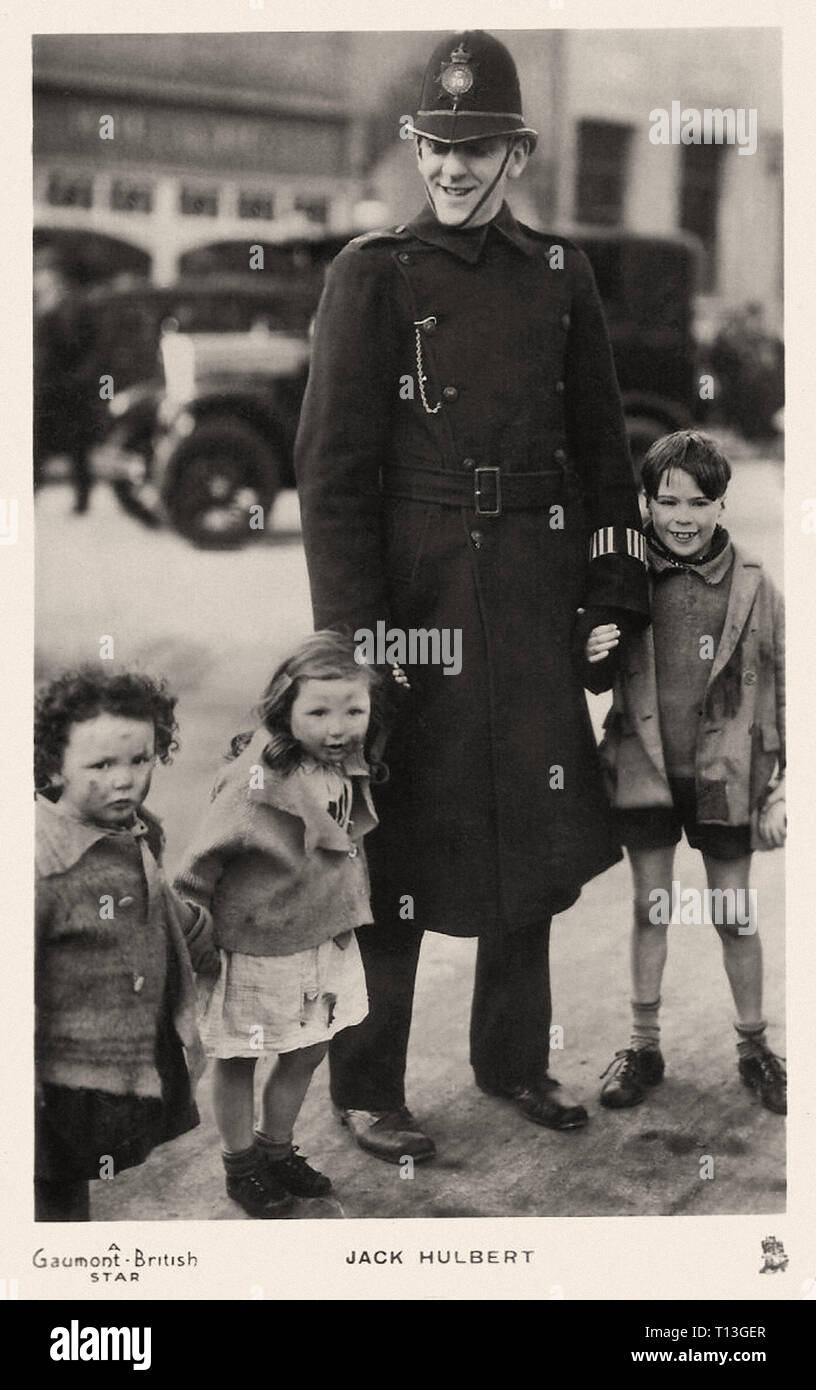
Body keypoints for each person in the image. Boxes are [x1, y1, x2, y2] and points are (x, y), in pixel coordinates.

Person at [295, 30, 649, 1163]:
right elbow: (332, 474)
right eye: (436, 145)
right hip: (417, 597)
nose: (451, 169)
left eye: (476, 147)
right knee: (396, 847)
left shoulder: (559, 274)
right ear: (414, 145)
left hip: (535, 594)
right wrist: (354, 640)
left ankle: (511, 1057)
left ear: (518, 152)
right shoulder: (374, 273)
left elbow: (605, 454)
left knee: (532, 831)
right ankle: (369, 1084)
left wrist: (610, 578)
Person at [595, 431, 786, 1114]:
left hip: (725, 776)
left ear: (721, 503)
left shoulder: (755, 585)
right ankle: (643, 1045)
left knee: (733, 913)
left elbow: (785, 690)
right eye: (665, 500)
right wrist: (587, 640)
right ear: (644, 501)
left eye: (698, 502)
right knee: (652, 908)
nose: (681, 517)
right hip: (645, 769)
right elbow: (586, 666)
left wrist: (781, 788)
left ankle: (755, 1046)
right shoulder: (621, 577)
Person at [173, 632, 384, 1217]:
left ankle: (276, 1148)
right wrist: (194, 940)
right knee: (239, 1058)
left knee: (308, 1050)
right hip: (258, 947)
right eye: (318, 712)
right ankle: (242, 1166)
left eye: (354, 710)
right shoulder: (253, 782)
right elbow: (195, 870)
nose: (338, 726)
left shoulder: (343, 763)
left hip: (323, 938)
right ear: (283, 710)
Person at [34, 668, 207, 1221]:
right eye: (101, 765)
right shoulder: (40, 867)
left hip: (126, 1057)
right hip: (61, 1076)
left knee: (72, 1178)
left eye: (141, 759)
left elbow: (160, 907)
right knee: (52, 1190)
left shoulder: (137, 830)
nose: (126, 781)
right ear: (52, 765)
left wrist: (208, 936)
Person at [33, 246, 102, 514]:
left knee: (76, 445)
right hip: (46, 385)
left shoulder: (76, 304)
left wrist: (82, 378)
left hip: (70, 386)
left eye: (43, 272)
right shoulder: (40, 304)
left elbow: (93, 346)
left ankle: (82, 498)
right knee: (38, 443)